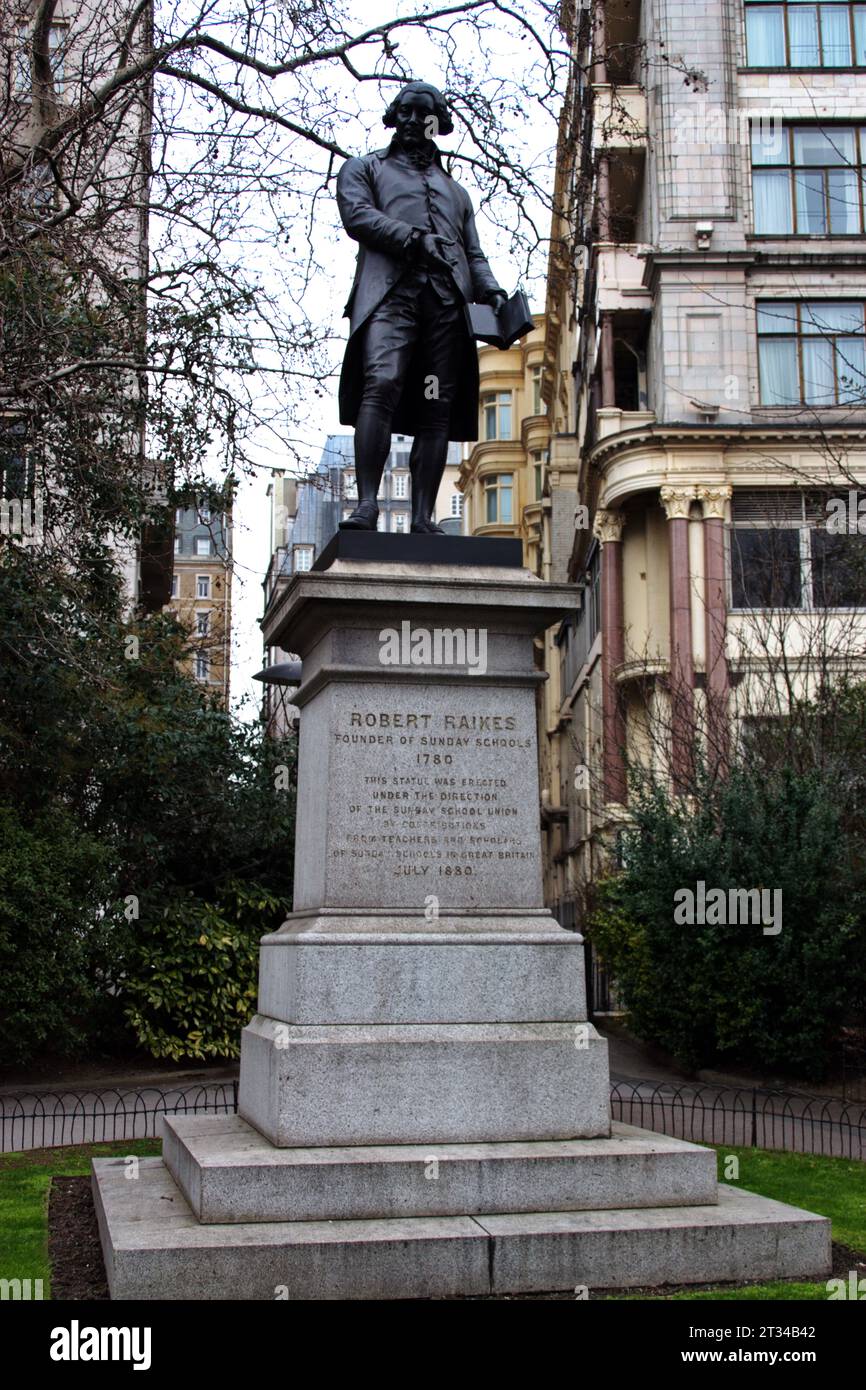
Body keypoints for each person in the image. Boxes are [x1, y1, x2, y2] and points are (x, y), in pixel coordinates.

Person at [336, 80, 507, 533]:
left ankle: (422, 518)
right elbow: (358, 217)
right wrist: (413, 240)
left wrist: (491, 292)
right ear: (395, 117)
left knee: (437, 407)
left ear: (438, 123)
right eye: (406, 112)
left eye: (423, 114)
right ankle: (369, 504)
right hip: (392, 296)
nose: (413, 121)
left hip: (446, 305)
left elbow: (474, 253)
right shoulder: (364, 168)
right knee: (382, 383)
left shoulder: (457, 193)